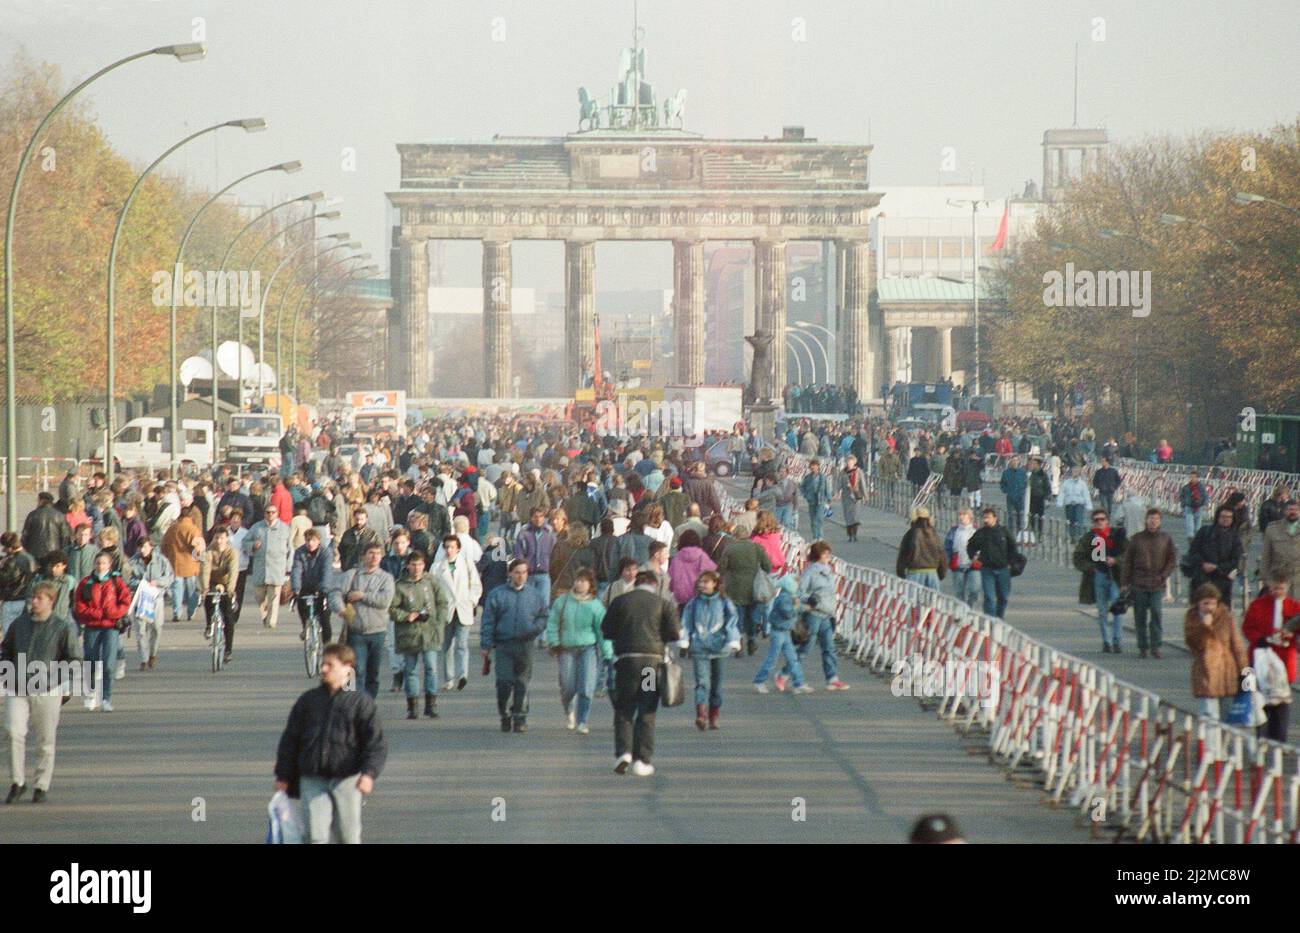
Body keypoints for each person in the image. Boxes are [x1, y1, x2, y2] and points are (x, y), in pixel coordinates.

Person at [274, 643, 387, 844]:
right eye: (323, 664)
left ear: (347, 667)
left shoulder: (360, 703)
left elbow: (375, 743)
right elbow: (290, 739)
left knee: (348, 837)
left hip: (347, 780)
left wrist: (369, 774)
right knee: (315, 837)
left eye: (330, 665)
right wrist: (283, 775)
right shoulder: (309, 701)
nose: (323, 669)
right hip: (312, 778)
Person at [2, 581, 82, 804]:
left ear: (51, 601)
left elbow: (74, 659)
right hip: (17, 686)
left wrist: (58, 681)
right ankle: (17, 781)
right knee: (12, 731)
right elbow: (5, 650)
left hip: (47, 689)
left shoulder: (62, 627)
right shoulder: (19, 624)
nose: (33, 602)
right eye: (31, 598)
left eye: (38, 598)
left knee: (45, 739)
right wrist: (6, 673)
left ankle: (41, 783)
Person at [601, 570, 683, 776]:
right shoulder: (663, 603)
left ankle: (623, 753)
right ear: (655, 584)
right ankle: (643, 759)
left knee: (624, 707)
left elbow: (607, 630)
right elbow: (674, 633)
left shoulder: (620, 602)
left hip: (626, 662)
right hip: (650, 663)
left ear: (636, 583)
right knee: (647, 708)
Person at [480, 559, 549, 733]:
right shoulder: (497, 594)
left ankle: (520, 717)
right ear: (510, 573)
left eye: (524, 572)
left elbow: (543, 616)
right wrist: (486, 645)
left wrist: (535, 629)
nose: (521, 576)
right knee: (504, 681)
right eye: (517, 572)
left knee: (522, 682)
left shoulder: (534, 595)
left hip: (525, 644)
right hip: (504, 644)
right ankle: (504, 713)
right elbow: (488, 621)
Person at [545, 568, 610, 735]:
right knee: (568, 686)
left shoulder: (596, 606)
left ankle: (582, 720)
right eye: (578, 580)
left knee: (587, 686)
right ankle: (569, 710)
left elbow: (602, 632)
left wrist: (607, 653)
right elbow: (552, 623)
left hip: (588, 648)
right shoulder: (563, 601)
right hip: (566, 649)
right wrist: (554, 641)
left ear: (590, 585)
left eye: (584, 581)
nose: (580, 583)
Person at [390, 549, 452, 720]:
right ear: (408, 565)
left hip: (430, 631)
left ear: (424, 565)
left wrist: (440, 622)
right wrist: (406, 616)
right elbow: (392, 609)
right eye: (413, 564)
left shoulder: (431, 582)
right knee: (411, 670)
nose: (416, 568)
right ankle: (412, 706)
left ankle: (431, 704)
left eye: (419, 564)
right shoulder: (400, 585)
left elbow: (442, 602)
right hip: (408, 633)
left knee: (431, 667)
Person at [680, 570, 741, 730]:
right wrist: (685, 639)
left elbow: (732, 622)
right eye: (701, 582)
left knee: (717, 684)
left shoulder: (724, 602)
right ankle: (701, 715)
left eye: (706, 582)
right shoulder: (693, 603)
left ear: (715, 583)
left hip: (719, 648)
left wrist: (733, 640)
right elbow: (686, 622)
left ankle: (714, 715)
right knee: (702, 683)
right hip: (699, 647)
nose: (702, 585)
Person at [1242, 573, 1300, 742]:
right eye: (1274, 588)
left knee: (1281, 703)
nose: (1277, 592)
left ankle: (1279, 741)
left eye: (1281, 588)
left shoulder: (1294, 606)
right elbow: (1247, 627)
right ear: (1269, 586)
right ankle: (1262, 738)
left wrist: (1289, 634)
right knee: (1260, 701)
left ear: (1287, 588)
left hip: (1283, 660)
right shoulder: (1258, 605)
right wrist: (1260, 639)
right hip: (1260, 658)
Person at [73, 550, 130, 712]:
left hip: (111, 627)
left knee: (108, 664)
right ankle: (91, 694)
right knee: (90, 661)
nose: (100, 566)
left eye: (104, 563)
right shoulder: (86, 582)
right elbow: (79, 605)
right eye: (98, 563)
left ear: (109, 565)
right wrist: (95, 613)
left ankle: (106, 698)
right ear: (94, 564)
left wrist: (114, 612)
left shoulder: (115, 581)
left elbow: (125, 600)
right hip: (92, 626)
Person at [1183, 583, 1248, 723]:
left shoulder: (1226, 616)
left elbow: (1238, 646)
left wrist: (1247, 675)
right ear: (1198, 603)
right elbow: (1192, 644)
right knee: (1208, 715)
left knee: (1227, 717)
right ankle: (1210, 744)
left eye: (1213, 603)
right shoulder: (1192, 617)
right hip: (1204, 673)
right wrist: (1204, 627)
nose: (1210, 607)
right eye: (1205, 603)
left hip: (1226, 671)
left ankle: (1224, 743)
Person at [791, 541, 849, 690]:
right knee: (806, 647)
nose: (828, 557)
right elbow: (799, 593)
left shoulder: (828, 570)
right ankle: (787, 672)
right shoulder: (810, 572)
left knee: (829, 647)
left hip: (826, 614)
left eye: (828, 554)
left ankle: (832, 678)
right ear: (818, 555)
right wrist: (809, 600)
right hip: (813, 613)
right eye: (825, 554)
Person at [1122, 508, 1177, 659]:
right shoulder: (1137, 539)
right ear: (1146, 520)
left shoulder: (1166, 538)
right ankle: (1142, 646)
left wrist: (1164, 575)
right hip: (1139, 583)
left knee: (1156, 613)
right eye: (1150, 518)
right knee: (1140, 617)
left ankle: (1156, 645)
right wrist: (1125, 583)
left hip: (1157, 584)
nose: (1153, 521)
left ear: (1160, 521)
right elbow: (1128, 562)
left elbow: (1172, 560)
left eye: (1156, 519)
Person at [431, 533, 482, 692]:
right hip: (446, 611)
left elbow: (476, 585)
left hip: (463, 608)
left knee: (462, 644)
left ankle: (463, 675)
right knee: (447, 645)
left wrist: (472, 600)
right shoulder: (437, 567)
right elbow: (432, 589)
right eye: (446, 547)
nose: (449, 550)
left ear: (458, 549)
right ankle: (449, 678)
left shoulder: (467, 564)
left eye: (452, 547)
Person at [344, 544, 397, 698]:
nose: (374, 557)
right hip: (356, 630)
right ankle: (354, 704)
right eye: (371, 553)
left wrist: (362, 596)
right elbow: (338, 593)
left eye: (378, 554)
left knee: (372, 673)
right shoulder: (353, 575)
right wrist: (341, 608)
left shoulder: (386, 578)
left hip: (377, 631)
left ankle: (368, 705)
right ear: (364, 556)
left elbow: (385, 601)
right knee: (356, 670)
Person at [1073, 509, 1128, 653]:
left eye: (1102, 519)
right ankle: (1106, 641)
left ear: (1107, 521)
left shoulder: (1118, 535)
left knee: (1117, 608)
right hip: (1099, 576)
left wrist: (1116, 560)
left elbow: (1128, 553)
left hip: (1115, 577)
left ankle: (1117, 640)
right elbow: (1077, 557)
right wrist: (1091, 567)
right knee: (1102, 611)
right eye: (1096, 520)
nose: (1099, 522)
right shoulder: (1089, 538)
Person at [716, 526, 773, 656]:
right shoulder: (757, 548)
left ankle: (739, 642)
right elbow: (768, 567)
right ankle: (752, 639)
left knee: (737, 617)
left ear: (735, 536)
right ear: (747, 535)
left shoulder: (730, 549)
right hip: (754, 588)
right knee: (752, 616)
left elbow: (721, 569)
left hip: (734, 587)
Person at [752, 571, 810, 694]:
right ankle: (759, 681)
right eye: (796, 582)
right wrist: (799, 608)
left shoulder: (788, 596)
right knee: (773, 658)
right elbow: (788, 612)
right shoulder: (784, 597)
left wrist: (801, 606)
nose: (798, 585)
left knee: (792, 658)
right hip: (779, 632)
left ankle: (798, 683)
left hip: (784, 631)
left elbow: (794, 606)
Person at [126, 537, 174, 670]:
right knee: (141, 630)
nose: (143, 550)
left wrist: (157, 582)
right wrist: (141, 584)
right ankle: (144, 658)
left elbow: (170, 577)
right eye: (140, 547)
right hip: (140, 598)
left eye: (145, 547)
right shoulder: (132, 562)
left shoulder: (161, 560)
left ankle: (153, 653)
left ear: (151, 547)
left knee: (157, 628)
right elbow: (128, 580)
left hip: (156, 598)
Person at [244, 502, 294, 630]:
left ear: (277, 514)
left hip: (277, 567)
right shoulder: (257, 527)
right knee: (259, 596)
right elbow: (245, 542)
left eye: (273, 512)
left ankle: (272, 621)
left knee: (274, 596)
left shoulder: (284, 528)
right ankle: (265, 615)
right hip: (260, 567)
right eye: (268, 512)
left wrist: (288, 569)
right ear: (264, 514)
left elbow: (290, 549)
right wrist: (252, 546)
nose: (270, 514)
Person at [1188, 505, 1244, 608]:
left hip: (1222, 581)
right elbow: (1193, 552)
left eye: (1229, 517)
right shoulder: (1205, 531)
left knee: (1221, 615)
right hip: (1202, 579)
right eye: (1223, 516)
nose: (1225, 519)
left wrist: (1217, 567)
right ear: (1217, 517)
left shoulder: (1235, 537)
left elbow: (1235, 559)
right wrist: (1203, 564)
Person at [967, 507, 1016, 619]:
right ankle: (990, 619)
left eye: (988, 517)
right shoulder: (981, 533)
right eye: (984, 518)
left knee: (1003, 597)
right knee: (989, 597)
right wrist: (973, 558)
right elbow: (971, 546)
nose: (985, 520)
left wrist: (1011, 563)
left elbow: (1013, 547)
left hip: (1003, 569)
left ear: (995, 518)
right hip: (987, 569)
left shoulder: (1003, 531)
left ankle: (999, 618)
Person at [199, 526, 239, 662]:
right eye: (217, 538)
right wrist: (205, 588)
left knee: (228, 617)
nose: (219, 541)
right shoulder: (208, 552)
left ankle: (228, 650)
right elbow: (205, 570)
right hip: (211, 581)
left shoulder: (232, 552)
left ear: (226, 539)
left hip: (227, 584)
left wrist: (231, 589)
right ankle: (209, 625)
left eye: (222, 538)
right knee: (208, 601)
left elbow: (234, 571)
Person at [292, 529, 334, 645]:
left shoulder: (326, 552)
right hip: (306, 585)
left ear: (319, 541)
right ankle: (306, 627)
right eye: (307, 540)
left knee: (325, 617)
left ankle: (327, 646)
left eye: (313, 540)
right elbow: (296, 570)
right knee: (301, 605)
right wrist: (296, 589)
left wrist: (324, 590)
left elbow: (327, 572)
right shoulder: (300, 552)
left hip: (322, 585)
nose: (310, 543)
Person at [513, 508, 556, 605]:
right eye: (535, 517)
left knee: (544, 604)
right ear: (531, 518)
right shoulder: (524, 533)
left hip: (544, 574)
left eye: (541, 517)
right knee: (527, 603)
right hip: (528, 574)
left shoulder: (549, 534)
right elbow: (519, 555)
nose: (538, 519)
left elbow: (554, 553)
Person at [897, 507, 946, 592]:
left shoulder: (910, 533)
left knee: (913, 601)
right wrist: (942, 572)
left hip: (914, 572)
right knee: (933, 601)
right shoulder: (933, 534)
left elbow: (903, 553)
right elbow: (940, 553)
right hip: (932, 573)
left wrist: (900, 571)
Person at [1259, 499, 1300, 594]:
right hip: (1278, 577)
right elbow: (1266, 555)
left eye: (1296, 510)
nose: (1293, 512)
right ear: (1284, 511)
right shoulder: (1273, 529)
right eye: (1290, 509)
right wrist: (1264, 577)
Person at [0, 532, 37, 638]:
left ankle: (14, 655)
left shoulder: (10, 561)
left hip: (11, 601)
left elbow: (5, 579)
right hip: (26, 601)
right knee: (23, 636)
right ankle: (22, 655)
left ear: (10, 547)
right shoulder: (30, 558)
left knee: (10, 636)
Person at [943, 507, 981, 607]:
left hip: (973, 564)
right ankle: (962, 611)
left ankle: (969, 605)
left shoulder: (976, 530)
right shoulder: (954, 530)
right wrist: (948, 559)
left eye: (964, 515)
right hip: (958, 564)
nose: (961, 517)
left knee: (974, 589)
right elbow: (947, 546)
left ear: (970, 517)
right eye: (960, 515)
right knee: (959, 592)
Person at [21, 491, 70, 566]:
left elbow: (25, 536)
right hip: (53, 553)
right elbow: (65, 537)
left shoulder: (32, 515)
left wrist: (27, 550)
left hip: (34, 553)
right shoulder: (60, 516)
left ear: (41, 501)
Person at [799, 460, 833, 541]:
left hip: (821, 500)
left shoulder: (823, 477)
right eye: (811, 466)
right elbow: (802, 487)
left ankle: (820, 536)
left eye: (814, 466)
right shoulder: (807, 478)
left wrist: (829, 499)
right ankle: (815, 536)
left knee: (819, 518)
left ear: (818, 466)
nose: (812, 467)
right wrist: (805, 495)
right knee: (813, 519)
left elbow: (827, 488)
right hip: (811, 500)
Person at [838, 456, 868, 542]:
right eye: (847, 462)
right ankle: (850, 535)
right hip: (846, 497)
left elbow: (863, 484)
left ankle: (854, 534)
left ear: (854, 462)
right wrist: (836, 492)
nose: (849, 463)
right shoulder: (843, 472)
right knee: (848, 517)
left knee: (855, 517)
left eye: (850, 462)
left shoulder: (858, 472)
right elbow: (839, 483)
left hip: (856, 496)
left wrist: (865, 496)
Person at [1059, 467, 1092, 540]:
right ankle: (1072, 535)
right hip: (1069, 504)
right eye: (1073, 471)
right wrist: (1060, 502)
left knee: (1079, 519)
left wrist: (1088, 504)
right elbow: (1062, 492)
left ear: (1079, 473)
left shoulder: (1082, 483)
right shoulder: (1066, 482)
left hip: (1079, 504)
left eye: (1076, 471)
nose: (1075, 472)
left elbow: (1086, 494)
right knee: (1070, 520)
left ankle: (1079, 535)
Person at [1179, 472, 1208, 543]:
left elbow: (1205, 496)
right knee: (1189, 524)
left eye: (1194, 477)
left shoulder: (1201, 487)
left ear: (1197, 478)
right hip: (1189, 507)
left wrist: (1205, 504)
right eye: (1191, 477)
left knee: (1198, 526)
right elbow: (1181, 496)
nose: (1192, 479)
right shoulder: (1186, 487)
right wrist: (1183, 505)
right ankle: (1190, 538)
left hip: (1199, 507)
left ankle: (1197, 539)